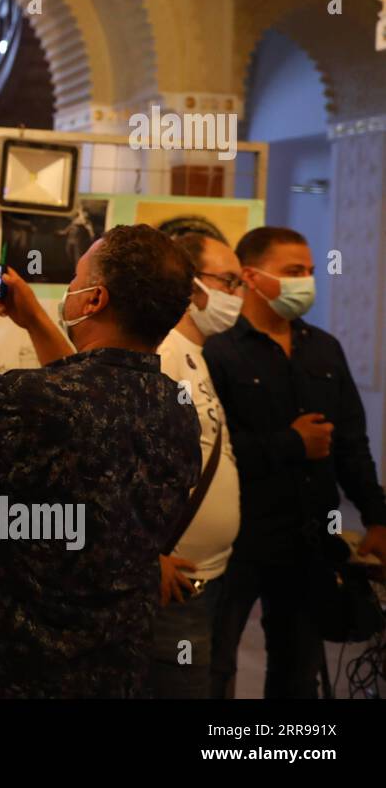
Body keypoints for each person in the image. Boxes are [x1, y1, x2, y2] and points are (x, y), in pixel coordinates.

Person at [0, 224, 201, 697]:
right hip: (111, 673)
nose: (70, 287)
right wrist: (33, 320)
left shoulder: (25, 401)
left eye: (76, 278)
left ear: (94, 300)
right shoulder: (175, 408)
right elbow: (88, 398)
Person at [204, 226, 386, 698]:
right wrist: (289, 443)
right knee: (213, 663)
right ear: (252, 276)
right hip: (238, 543)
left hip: (309, 539)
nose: (306, 281)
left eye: (309, 271)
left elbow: (351, 442)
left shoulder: (324, 348)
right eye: (293, 272)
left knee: (296, 671)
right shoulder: (217, 350)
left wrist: (377, 516)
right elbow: (208, 450)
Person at [150, 233, 243, 698]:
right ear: (191, 285)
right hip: (173, 585)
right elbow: (123, 461)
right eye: (229, 281)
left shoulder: (195, 353)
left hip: (206, 577)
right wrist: (148, 555)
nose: (237, 296)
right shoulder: (164, 353)